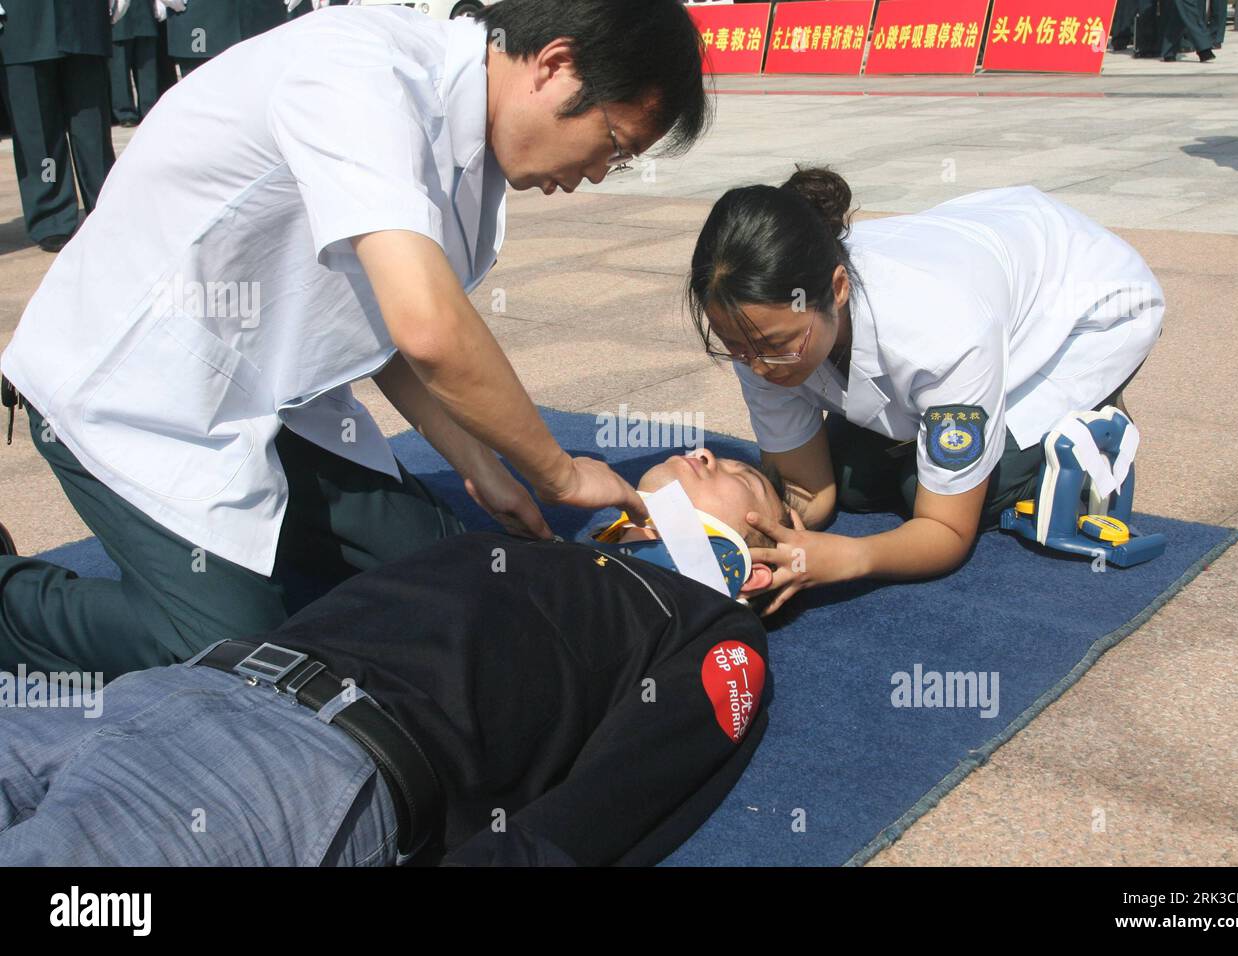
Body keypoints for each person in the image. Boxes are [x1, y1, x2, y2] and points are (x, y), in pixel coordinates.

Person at [0, 0, 710, 679]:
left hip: (273, 398)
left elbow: (389, 328)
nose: (593, 175)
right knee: (234, 654)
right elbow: (428, 328)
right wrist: (557, 471)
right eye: (612, 145)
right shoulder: (361, 73)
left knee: (452, 573)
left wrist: (481, 464)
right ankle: (10, 604)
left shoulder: (471, 148)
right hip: (138, 391)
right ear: (555, 65)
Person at [0, 449, 783, 866]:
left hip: (290, 765)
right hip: (167, 691)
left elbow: (621, 794)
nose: (707, 457)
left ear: (762, 557)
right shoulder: (543, 553)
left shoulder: (708, 626)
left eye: (743, 476)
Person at [686, 167, 1164, 615]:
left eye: (777, 347)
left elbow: (946, 531)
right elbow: (810, 489)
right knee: (855, 484)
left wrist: (850, 557)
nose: (759, 367)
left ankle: (1093, 422)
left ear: (836, 290)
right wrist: (740, 535)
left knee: (924, 493)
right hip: (990, 252)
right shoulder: (756, 323)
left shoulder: (944, 337)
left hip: (1086, 309)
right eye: (734, 347)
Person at [0, 0, 119, 252]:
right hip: (20, 17)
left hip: (83, 16)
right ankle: (51, 216)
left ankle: (106, 203)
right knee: (39, 130)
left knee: (92, 128)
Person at [110, 0, 165, 126]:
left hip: (139, 14)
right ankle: (130, 111)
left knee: (144, 68)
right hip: (125, 15)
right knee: (122, 70)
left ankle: (139, 111)